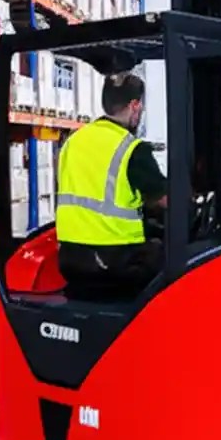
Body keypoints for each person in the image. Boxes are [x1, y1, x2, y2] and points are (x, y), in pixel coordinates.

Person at [56, 72, 168, 299]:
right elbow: (165, 200)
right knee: (171, 254)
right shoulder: (132, 148)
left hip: (70, 259)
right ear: (135, 106)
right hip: (113, 263)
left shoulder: (73, 141)